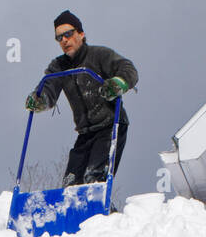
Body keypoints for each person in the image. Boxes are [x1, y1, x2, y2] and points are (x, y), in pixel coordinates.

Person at [25, 11, 138, 186]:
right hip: (85, 133)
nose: (64, 40)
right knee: (70, 185)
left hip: (110, 126)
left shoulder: (99, 55)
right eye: (59, 38)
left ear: (81, 34)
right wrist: (40, 99)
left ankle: (106, 213)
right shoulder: (59, 66)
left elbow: (127, 68)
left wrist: (118, 83)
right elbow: (49, 87)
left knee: (93, 180)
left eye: (68, 34)